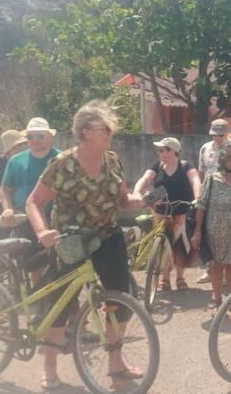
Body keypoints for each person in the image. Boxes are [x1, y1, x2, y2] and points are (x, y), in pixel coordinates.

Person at [25, 100, 145, 391]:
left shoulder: (112, 160)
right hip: (73, 241)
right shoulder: (64, 164)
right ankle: (49, 366)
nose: (111, 132)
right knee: (63, 305)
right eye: (106, 127)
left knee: (122, 300)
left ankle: (117, 365)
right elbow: (33, 202)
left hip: (108, 237)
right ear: (86, 131)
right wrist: (42, 232)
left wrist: (139, 201)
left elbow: (122, 200)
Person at [191, 141, 231, 310]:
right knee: (216, 265)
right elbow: (201, 206)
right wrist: (197, 231)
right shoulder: (212, 179)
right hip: (216, 234)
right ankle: (218, 298)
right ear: (221, 160)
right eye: (229, 157)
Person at [133, 137, 201, 292]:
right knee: (163, 245)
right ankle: (164, 278)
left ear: (173, 152)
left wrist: (197, 197)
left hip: (181, 211)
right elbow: (144, 180)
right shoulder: (157, 167)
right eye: (160, 150)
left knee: (180, 246)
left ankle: (180, 277)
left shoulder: (185, 166)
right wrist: (137, 192)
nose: (159, 152)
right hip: (160, 212)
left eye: (162, 150)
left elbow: (196, 180)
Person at [196, 118, 231, 284]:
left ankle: (228, 273)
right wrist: (200, 194)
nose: (217, 138)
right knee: (209, 235)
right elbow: (201, 172)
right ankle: (210, 270)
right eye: (215, 135)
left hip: (230, 196)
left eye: (220, 135)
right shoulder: (205, 148)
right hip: (210, 196)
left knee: (230, 235)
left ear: (226, 133)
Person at [0, 117, 60, 240]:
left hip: (55, 219)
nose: (35, 140)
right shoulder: (15, 161)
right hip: (23, 220)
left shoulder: (61, 159)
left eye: (40, 136)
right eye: (30, 137)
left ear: (50, 137)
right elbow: (5, 189)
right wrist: (8, 209)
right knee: (23, 257)